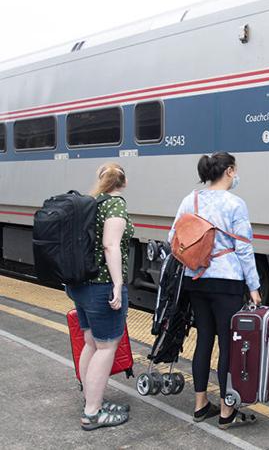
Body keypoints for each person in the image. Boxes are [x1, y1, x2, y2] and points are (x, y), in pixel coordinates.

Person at [168, 152, 260, 429]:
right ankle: (226, 410)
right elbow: (243, 248)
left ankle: (200, 405)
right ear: (230, 171)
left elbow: (173, 237)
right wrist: (253, 286)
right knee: (229, 345)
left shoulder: (191, 199)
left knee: (204, 340)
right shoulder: (235, 204)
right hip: (227, 281)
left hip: (195, 279)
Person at [66, 163, 133, 430]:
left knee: (91, 343)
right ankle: (93, 413)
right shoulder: (115, 205)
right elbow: (110, 245)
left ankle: (90, 401)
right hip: (101, 287)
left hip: (81, 285)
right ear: (123, 182)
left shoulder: (90, 204)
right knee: (106, 347)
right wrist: (117, 284)